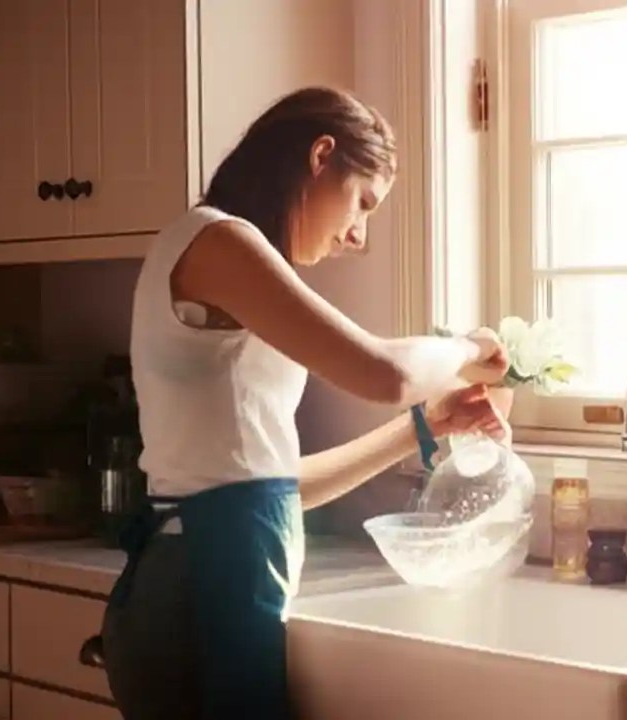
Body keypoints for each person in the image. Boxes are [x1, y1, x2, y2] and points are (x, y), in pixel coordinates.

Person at [100, 86, 512, 720]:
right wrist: (468, 346)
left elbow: (272, 486)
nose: (358, 235)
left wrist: (426, 429)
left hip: (212, 573)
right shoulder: (219, 240)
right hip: (202, 589)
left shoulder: (225, 252)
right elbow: (384, 371)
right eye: (363, 203)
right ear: (322, 156)